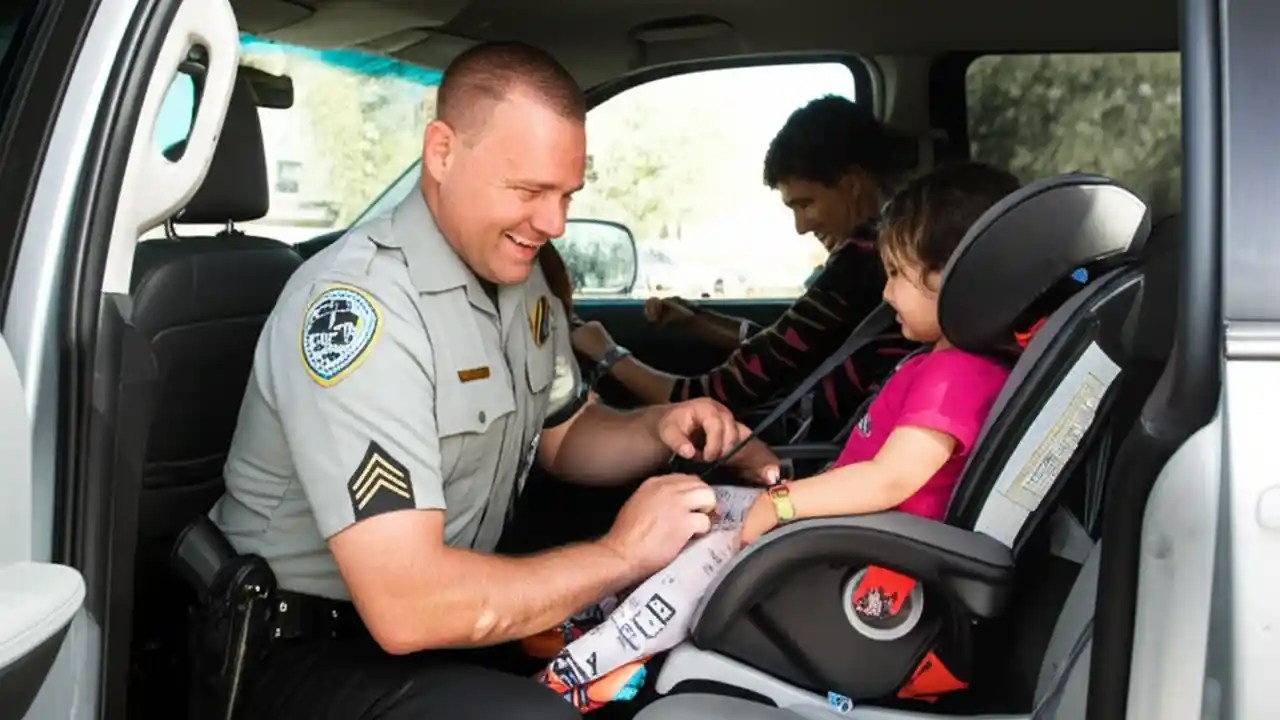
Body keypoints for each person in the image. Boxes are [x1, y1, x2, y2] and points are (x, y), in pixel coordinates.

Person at [208, 41, 775, 720]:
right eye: (529, 190)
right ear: (442, 152)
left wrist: (659, 430)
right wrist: (621, 555)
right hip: (307, 652)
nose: (554, 222)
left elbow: (562, 434)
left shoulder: (520, 279)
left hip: (447, 625)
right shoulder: (360, 310)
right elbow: (408, 606)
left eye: (566, 195)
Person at [533, 161, 1023, 713]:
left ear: (961, 280)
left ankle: (591, 667)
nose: (885, 294)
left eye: (898, 276)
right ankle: (592, 619)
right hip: (850, 533)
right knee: (695, 503)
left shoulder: (955, 374)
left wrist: (784, 503)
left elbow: (889, 480)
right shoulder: (938, 360)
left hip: (866, 561)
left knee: (715, 548)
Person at [571, 96, 917, 440]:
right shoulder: (886, 258)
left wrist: (606, 352)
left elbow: (712, 395)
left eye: (806, 203)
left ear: (852, 183)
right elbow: (792, 351)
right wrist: (699, 322)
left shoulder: (859, 266)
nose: (800, 226)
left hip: (803, 454)